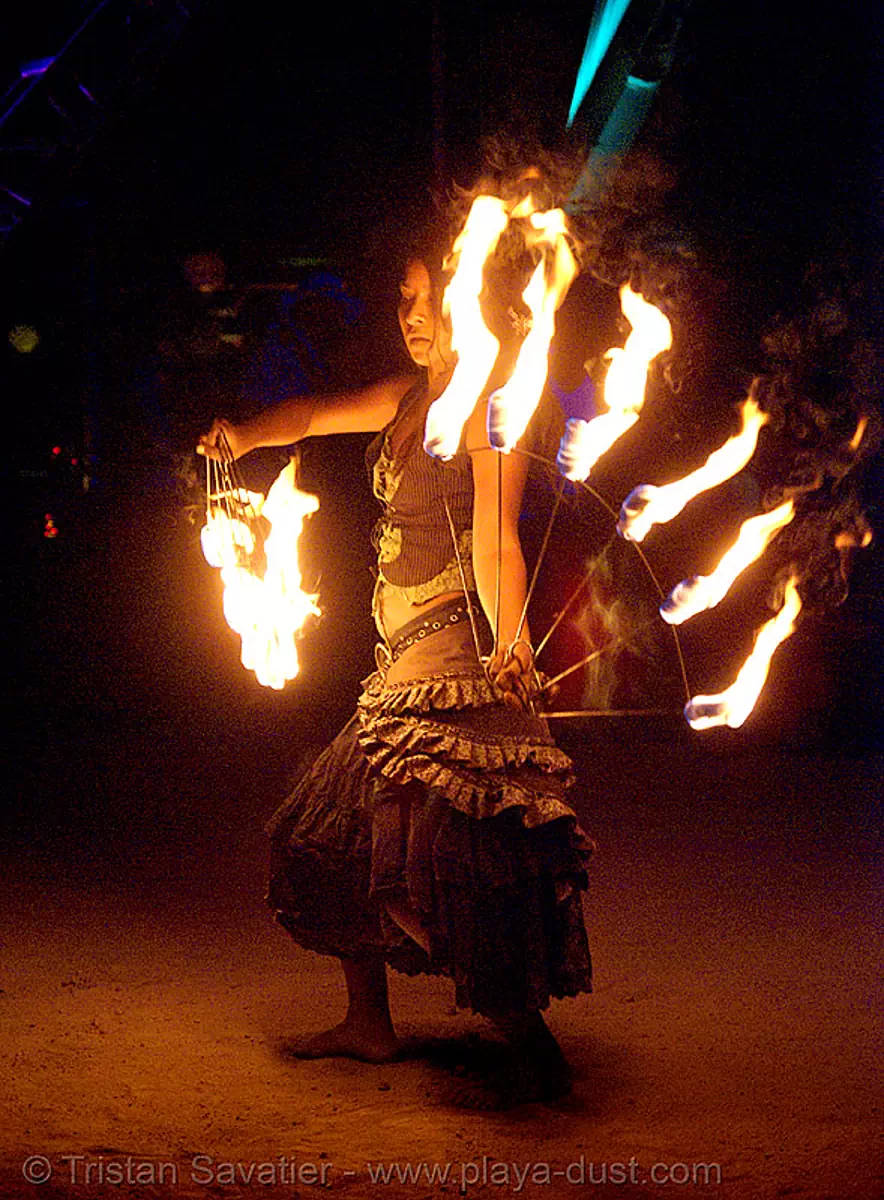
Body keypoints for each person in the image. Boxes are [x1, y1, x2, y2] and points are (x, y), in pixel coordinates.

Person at [197, 254, 593, 1107]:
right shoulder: (409, 398)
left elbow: (495, 537)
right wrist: (246, 436)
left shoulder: (492, 405)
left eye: (429, 300)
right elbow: (312, 414)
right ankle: (369, 1022)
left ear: (472, 302)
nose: (411, 314)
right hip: (395, 662)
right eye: (405, 298)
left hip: (448, 663)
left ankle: (530, 1042)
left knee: (453, 859)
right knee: (332, 834)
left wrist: (512, 642)